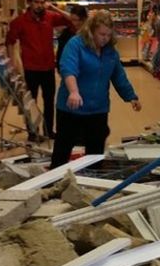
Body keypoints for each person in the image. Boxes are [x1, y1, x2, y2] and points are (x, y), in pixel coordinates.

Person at [51, 10, 142, 168]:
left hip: (97, 109)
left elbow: (118, 75)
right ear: (91, 31)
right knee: (63, 146)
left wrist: (131, 96)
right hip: (72, 108)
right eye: (101, 34)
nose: (105, 39)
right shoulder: (76, 44)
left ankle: (93, 180)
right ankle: (53, 180)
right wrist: (74, 91)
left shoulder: (110, 51)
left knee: (95, 150)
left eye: (108, 35)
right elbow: (68, 68)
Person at [6, 0, 73, 139]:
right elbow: (10, 42)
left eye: (42, 2)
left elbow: (71, 20)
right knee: (31, 103)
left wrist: (54, 8)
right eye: (36, 2)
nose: (39, 5)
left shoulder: (50, 17)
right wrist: (12, 64)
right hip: (30, 69)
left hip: (48, 67)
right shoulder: (20, 21)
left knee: (49, 102)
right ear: (29, 3)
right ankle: (32, 132)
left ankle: (49, 131)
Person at [56, 4, 88, 72]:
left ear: (84, 19)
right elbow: (60, 53)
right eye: (73, 20)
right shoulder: (66, 33)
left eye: (79, 20)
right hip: (70, 70)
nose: (75, 23)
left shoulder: (90, 34)